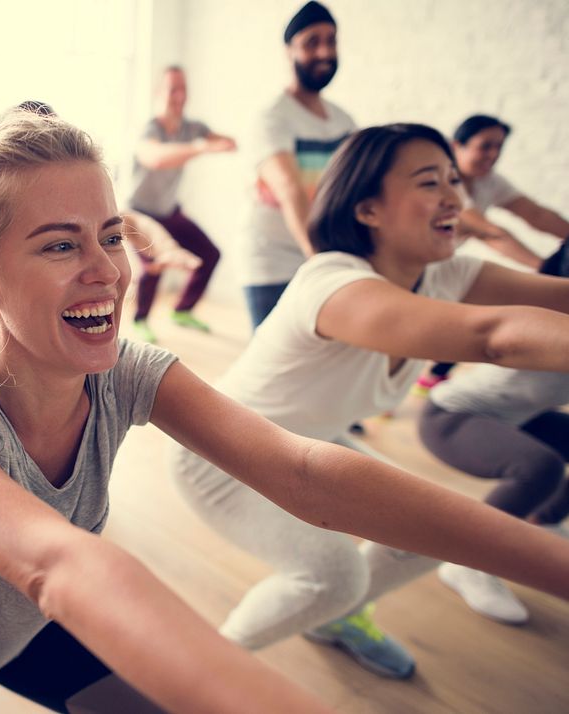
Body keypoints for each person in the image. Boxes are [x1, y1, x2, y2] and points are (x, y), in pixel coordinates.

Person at [0, 111, 569, 713]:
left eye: (111, 235)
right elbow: (56, 563)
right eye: (61, 244)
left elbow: (307, 472)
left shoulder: (127, 373)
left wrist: (552, 562)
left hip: (22, 631)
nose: (105, 269)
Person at [171, 123, 569, 681]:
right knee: (333, 576)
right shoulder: (331, 283)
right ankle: (193, 682)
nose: (455, 195)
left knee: (435, 529)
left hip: (310, 444)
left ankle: (334, 620)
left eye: (454, 180)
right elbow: (492, 337)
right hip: (220, 454)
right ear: (368, 210)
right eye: (430, 181)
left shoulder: (445, 274)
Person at [417, 256, 569, 623]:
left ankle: (540, 519)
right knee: (539, 467)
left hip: (519, 416)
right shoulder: (552, 323)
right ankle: (468, 562)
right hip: (452, 416)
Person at [415, 114, 569, 392]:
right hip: (408, 267)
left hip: (437, 267)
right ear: (456, 145)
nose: (493, 155)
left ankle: (432, 376)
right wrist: (543, 269)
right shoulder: (445, 182)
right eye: (485, 146)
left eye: (498, 147)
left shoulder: (490, 182)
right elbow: (487, 231)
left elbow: (536, 214)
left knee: (472, 311)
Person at [239, 1, 356, 330]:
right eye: (312, 42)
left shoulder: (344, 122)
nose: (324, 52)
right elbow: (290, 190)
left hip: (326, 255)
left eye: (331, 40)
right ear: (289, 50)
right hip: (273, 263)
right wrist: (321, 260)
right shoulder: (272, 118)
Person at [126, 65, 236, 344]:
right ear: (159, 93)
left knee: (209, 254)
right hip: (140, 213)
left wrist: (219, 143)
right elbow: (155, 158)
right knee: (154, 264)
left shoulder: (192, 128)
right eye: (172, 89)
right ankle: (140, 320)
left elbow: (227, 142)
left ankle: (182, 310)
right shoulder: (152, 128)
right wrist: (199, 147)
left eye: (183, 89)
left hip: (170, 210)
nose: (178, 96)